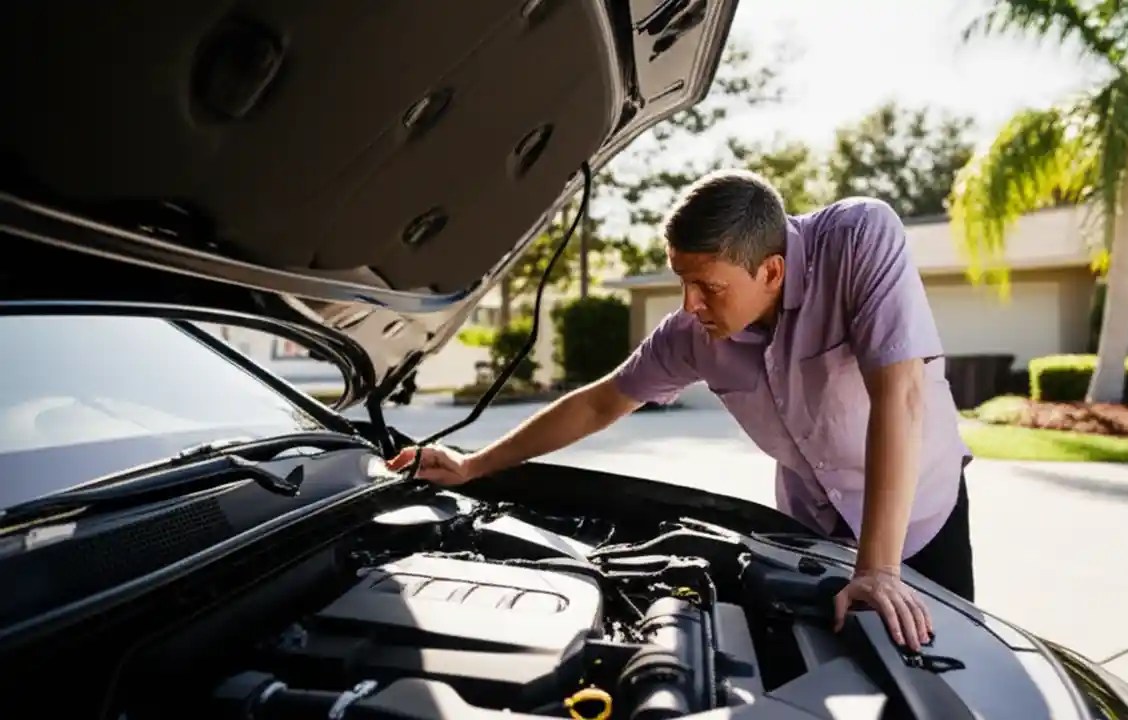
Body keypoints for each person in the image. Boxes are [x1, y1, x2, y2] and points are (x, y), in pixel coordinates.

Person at [388, 169, 973, 652]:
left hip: (920, 516)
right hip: (811, 531)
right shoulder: (693, 333)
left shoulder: (858, 240)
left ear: (770, 271)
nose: (689, 305)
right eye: (682, 282)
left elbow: (901, 393)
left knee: (946, 675)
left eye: (707, 286)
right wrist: (474, 466)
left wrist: (878, 570)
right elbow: (598, 403)